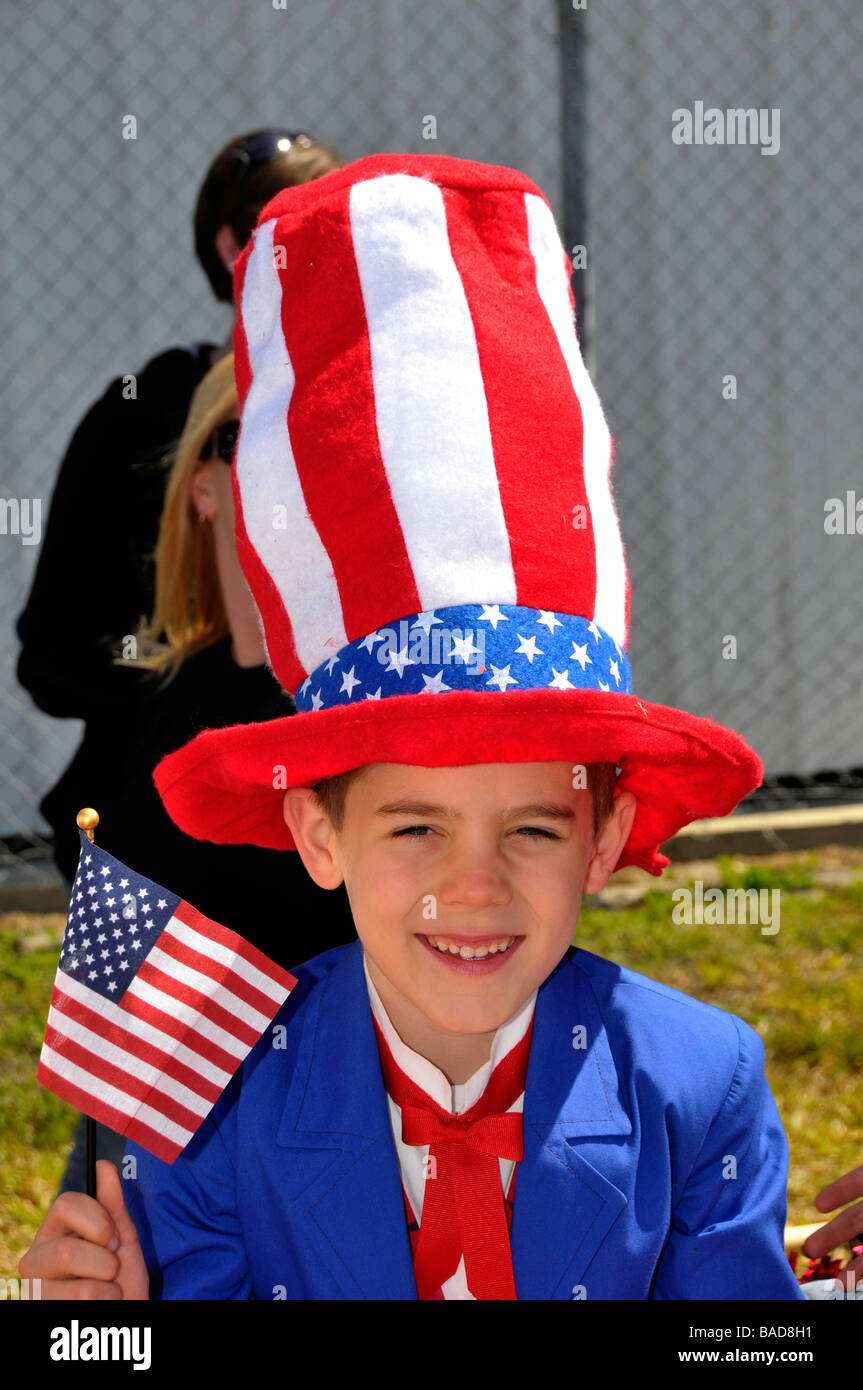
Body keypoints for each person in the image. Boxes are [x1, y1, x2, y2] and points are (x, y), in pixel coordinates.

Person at [19, 152, 806, 1300]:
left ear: (603, 831)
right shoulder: (218, 1091)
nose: (472, 886)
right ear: (317, 834)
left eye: (531, 829)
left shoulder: (697, 1087)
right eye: (414, 829)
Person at [54, 351, 356, 1195]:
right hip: (171, 1113)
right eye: (253, 436)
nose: (285, 463)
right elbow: (117, 1020)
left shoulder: (361, 700)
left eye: (310, 439)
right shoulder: (156, 703)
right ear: (203, 482)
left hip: (349, 1116)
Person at [15, 129, 342, 886]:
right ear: (232, 249)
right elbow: (54, 658)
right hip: (171, 812)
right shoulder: (147, 416)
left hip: (344, 802)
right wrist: (202, 692)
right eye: (290, 232)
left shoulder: (378, 406)